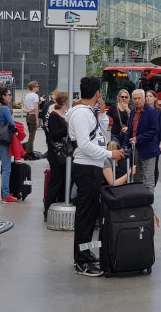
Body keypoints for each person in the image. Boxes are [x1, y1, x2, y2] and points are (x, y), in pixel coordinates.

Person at [66, 76, 124, 277]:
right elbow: (84, 144)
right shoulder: (81, 114)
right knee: (85, 216)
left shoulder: (90, 112)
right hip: (86, 168)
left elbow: (99, 134)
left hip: (93, 167)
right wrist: (110, 154)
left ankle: (85, 253)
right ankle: (81, 261)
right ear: (97, 93)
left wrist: (102, 113)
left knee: (90, 217)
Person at [123, 89, 159, 194]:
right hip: (135, 151)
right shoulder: (133, 111)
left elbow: (154, 130)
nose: (137, 100)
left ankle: (149, 204)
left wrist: (138, 139)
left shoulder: (151, 111)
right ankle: (139, 204)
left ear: (144, 98)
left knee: (148, 180)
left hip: (148, 150)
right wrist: (124, 146)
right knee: (137, 178)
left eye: (139, 98)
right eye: (135, 98)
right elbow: (129, 130)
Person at [0, 85, 19, 203]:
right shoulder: (5, 108)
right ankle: (6, 196)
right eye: (9, 95)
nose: (10, 97)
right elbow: (12, 124)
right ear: (3, 96)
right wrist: (16, 131)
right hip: (3, 142)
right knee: (6, 169)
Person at [43, 91, 69, 221]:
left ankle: (61, 206)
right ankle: (47, 209)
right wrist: (67, 128)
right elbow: (53, 135)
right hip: (55, 153)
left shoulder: (66, 115)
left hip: (65, 153)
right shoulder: (54, 115)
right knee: (56, 180)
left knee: (65, 180)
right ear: (64, 102)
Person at [145, 89, 161, 186]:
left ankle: (153, 186)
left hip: (155, 141)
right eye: (147, 96)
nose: (148, 98)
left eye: (150, 96)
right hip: (145, 141)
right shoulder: (143, 110)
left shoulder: (160, 111)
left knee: (154, 165)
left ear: (155, 98)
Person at [22, 80, 40, 157]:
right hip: (33, 116)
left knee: (30, 134)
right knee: (32, 136)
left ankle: (29, 151)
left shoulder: (27, 96)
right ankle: (29, 153)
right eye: (37, 86)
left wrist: (29, 110)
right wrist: (37, 120)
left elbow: (24, 109)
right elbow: (36, 109)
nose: (38, 87)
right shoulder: (35, 96)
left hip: (28, 116)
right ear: (33, 87)